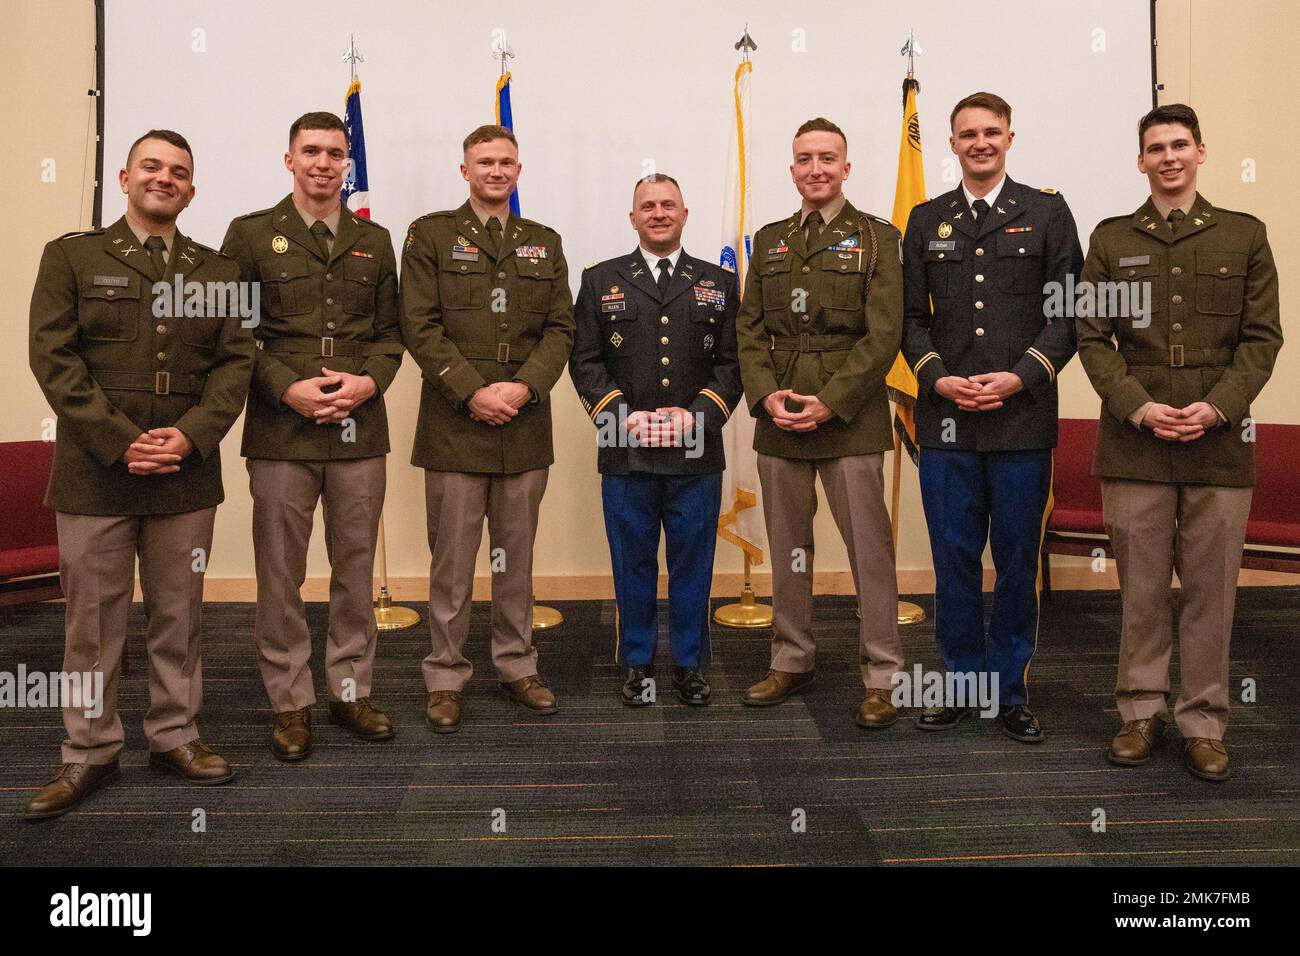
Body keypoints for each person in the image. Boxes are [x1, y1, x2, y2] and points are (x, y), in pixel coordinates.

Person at [26, 130, 254, 819]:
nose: (165, 179)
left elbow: (235, 363)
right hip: (96, 475)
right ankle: (89, 751)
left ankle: (174, 735)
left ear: (192, 188)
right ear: (125, 176)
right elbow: (54, 359)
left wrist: (188, 436)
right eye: (152, 167)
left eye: (179, 172)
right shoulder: (72, 255)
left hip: (184, 473)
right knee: (92, 622)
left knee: (177, 615)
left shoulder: (219, 273)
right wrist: (123, 442)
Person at [1076, 103, 1282, 781]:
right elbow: (1092, 339)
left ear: (1201, 151)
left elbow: (1261, 339)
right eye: (1155, 148)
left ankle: (1203, 721)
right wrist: (1138, 409)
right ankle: (1138, 712)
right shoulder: (1109, 240)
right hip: (1136, 446)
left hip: (1219, 449)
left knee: (1210, 593)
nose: (1168, 157)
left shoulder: (1243, 237)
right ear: (1141, 160)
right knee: (1140, 592)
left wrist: (1217, 409)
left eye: (1179, 145)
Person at [221, 112, 404, 761]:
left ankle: (351, 689)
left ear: (346, 162)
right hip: (280, 431)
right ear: (289, 159)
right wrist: (285, 388)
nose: (323, 162)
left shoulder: (375, 240)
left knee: (354, 571)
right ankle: (290, 701)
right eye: (311, 151)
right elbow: (234, 333)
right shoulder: (248, 236)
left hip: (359, 430)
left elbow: (391, 336)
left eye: (334, 152)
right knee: (280, 573)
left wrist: (368, 382)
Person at [901, 92, 1083, 742]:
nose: (980, 142)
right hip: (946, 419)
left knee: (1014, 561)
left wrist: (1022, 374)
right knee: (952, 560)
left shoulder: (1047, 212)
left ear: (1010, 137)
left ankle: (1009, 690)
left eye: (991, 132)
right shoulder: (926, 220)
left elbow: (1069, 314)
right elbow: (910, 320)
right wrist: (939, 380)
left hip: (1022, 421)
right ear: (952, 143)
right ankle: (959, 684)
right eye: (967, 134)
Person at [400, 124, 575, 733]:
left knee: (517, 558)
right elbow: (418, 325)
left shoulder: (543, 242)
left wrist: (523, 387)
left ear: (518, 171)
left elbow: (561, 329)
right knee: (451, 563)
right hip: (455, 427)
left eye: (505, 163)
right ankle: (445, 675)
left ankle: (517, 665)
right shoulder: (431, 235)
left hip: (524, 426)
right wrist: (473, 390)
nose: (495, 172)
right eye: (484, 162)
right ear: (465, 170)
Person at [734, 117, 905, 728]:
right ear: (792, 168)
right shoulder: (772, 238)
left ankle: (884, 673)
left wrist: (831, 401)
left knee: (869, 550)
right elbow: (749, 328)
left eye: (828, 158)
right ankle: (792, 655)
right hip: (780, 415)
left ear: (846, 167)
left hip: (850, 418)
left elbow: (884, 333)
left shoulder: (880, 238)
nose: (816, 168)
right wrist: (765, 396)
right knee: (789, 548)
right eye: (805, 158)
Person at [569, 174, 741, 706]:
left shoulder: (720, 281)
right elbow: (585, 361)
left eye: (669, 205)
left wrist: (696, 418)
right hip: (627, 451)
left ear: (686, 214)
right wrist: (621, 417)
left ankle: (690, 663)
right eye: (648, 206)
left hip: (695, 451)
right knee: (633, 562)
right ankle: (638, 663)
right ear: (633, 217)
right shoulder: (601, 280)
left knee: (694, 562)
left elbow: (734, 364)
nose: (659, 213)